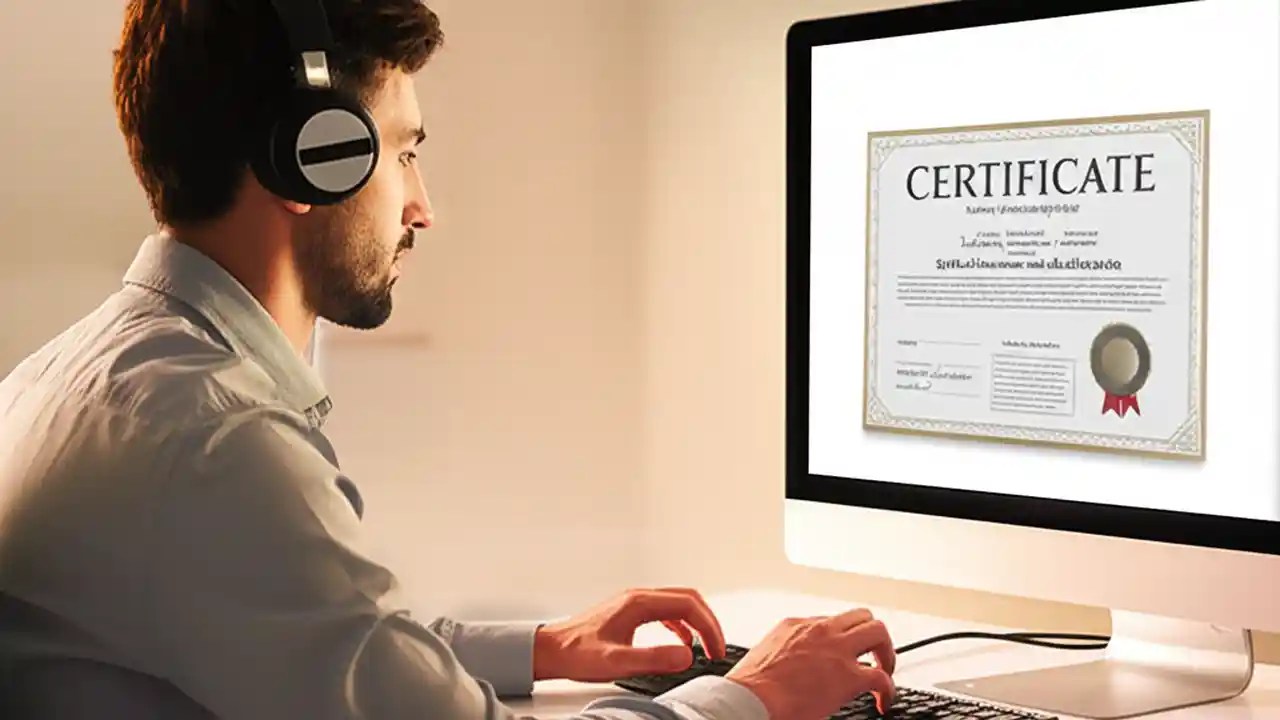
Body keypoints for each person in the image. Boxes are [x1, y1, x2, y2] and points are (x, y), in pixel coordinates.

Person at [0, 1, 897, 718]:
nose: (421, 206)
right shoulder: (215, 441)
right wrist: (751, 696)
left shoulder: (63, 383)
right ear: (314, 160)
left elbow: (293, 638)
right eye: (403, 152)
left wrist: (540, 645)